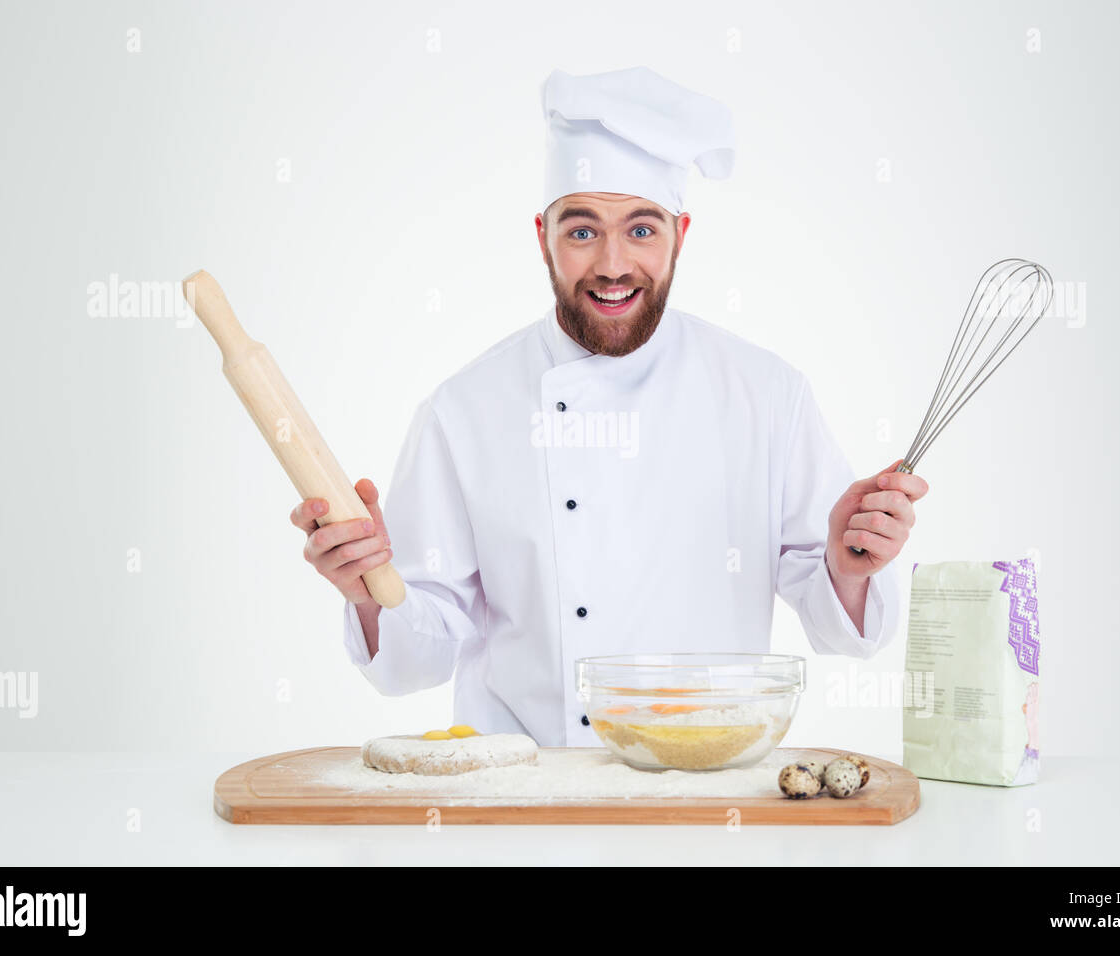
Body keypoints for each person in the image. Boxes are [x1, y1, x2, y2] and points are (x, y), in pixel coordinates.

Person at [290, 66, 928, 746]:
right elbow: (414, 661)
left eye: (643, 231)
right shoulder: (463, 411)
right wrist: (367, 592)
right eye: (583, 231)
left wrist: (849, 567)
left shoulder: (767, 395)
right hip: (523, 801)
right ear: (543, 237)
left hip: (706, 798)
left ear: (681, 233)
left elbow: (846, 632)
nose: (614, 265)